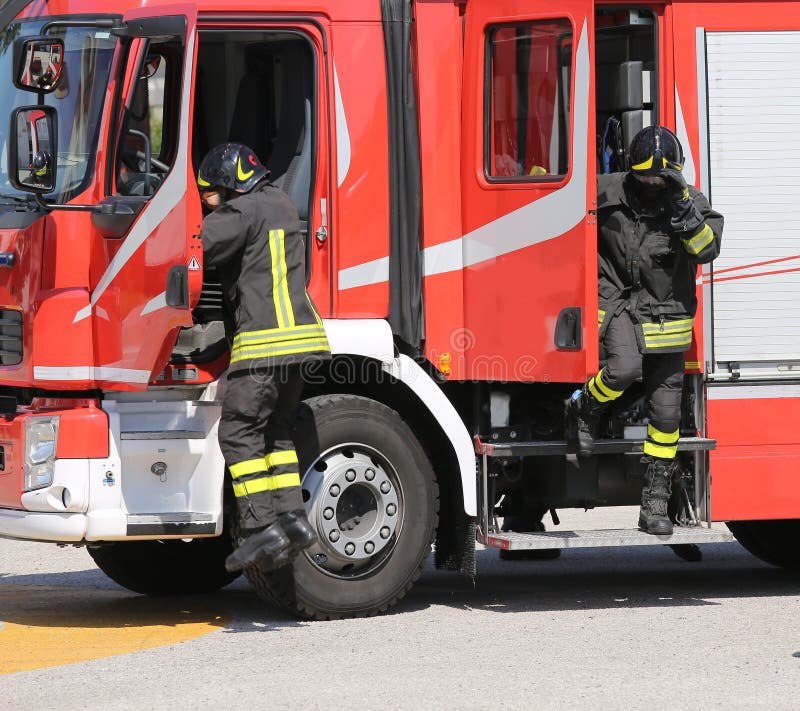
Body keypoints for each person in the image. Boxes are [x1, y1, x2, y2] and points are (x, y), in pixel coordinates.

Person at [568, 125, 722, 536]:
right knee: (623, 370)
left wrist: (683, 208)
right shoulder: (607, 191)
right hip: (618, 301)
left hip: (668, 318)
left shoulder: (690, 204)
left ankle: (654, 505)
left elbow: (707, 248)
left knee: (667, 417)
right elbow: (561, 208)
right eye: (644, 177)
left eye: (661, 178)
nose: (651, 184)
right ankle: (584, 407)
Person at [197, 142, 331, 572]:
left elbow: (196, 248)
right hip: (301, 341)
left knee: (238, 431)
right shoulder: (281, 203)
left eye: (211, 192)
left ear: (228, 184)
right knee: (277, 431)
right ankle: (293, 520)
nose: (209, 201)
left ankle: (259, 530)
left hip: (263, 342)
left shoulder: (239, 213)